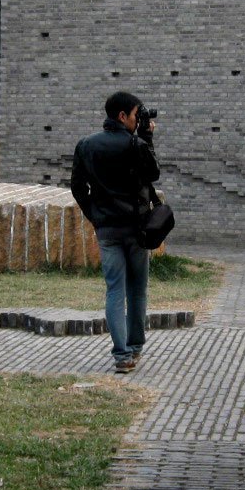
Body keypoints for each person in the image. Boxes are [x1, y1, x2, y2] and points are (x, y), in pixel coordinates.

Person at [71, 91, 160, 373]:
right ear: (122, 116)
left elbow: (77, 187)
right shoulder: (136, 144)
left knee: (114, 290)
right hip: (136, 229)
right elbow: (153, 174)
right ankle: (135, 347)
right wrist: (147, 138)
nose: (138, 120)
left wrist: (95, 216)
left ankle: (121, 356)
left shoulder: (86, 145)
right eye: (135, 115)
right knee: (137, 290)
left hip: (107, 230)